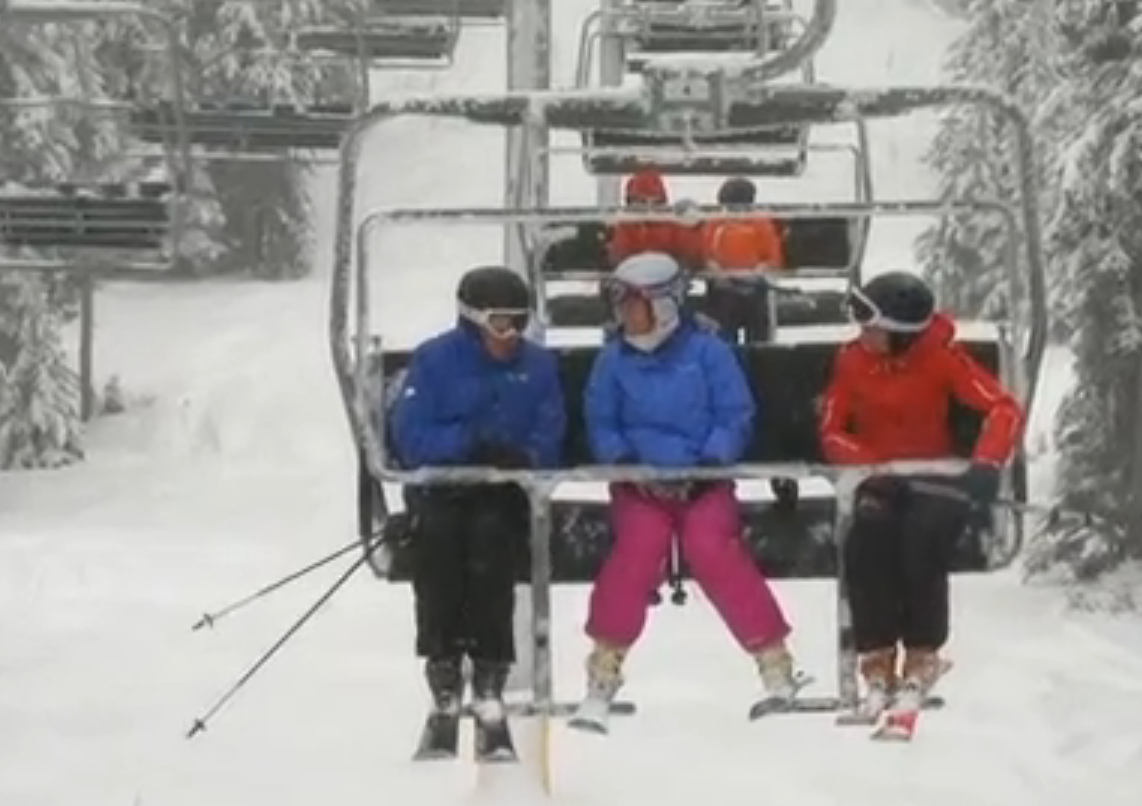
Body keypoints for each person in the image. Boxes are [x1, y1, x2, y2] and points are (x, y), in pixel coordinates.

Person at [574, 250, 804, 725]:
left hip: (704, 482)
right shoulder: (613, 362)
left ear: (663, 306)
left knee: (713, 548)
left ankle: (773, 660)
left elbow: (733, 413)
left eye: (632, 306)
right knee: (639, 548)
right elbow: (602, 420)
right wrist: (625, 463)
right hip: (641, 485)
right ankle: (604, 666)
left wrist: (710, 464)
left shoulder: (707, 354)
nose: (624, 317)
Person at [817, 270, 1022, 714]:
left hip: (934, 477)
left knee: (921, 538)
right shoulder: (852, 361)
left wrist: (987, 462)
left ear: (902, 335)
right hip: (882, 479)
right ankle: (876, 656)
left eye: (874, 328)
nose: (864, 335)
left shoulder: (942, 359)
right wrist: (871, 464)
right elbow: (832, 429)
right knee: (868, 537)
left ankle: (923, 652)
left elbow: (1002, 407)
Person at [389, 265, 566, 717]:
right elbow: (410, 437)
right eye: (500, 323)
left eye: (519, 323)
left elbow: (551, 430)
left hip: (502, 489)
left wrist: (524, 456)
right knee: (439, 544)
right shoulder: (434, 361)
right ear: (472, 320)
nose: (510, 336)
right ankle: (443, 661)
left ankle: (491, 665)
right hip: (443, 487)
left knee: (493, 543)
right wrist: (467, 443)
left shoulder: (537, 367)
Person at [697, 176, 783, 344]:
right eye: (727, 207)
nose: (732, 212)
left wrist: (758, 273)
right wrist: (717, 274)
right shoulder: (715, 224)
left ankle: (759, 354)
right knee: (723, 320)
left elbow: (773, 257)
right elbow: (707, 255)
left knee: (758, 323)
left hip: (753, 287)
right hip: (724, 288)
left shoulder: (761, 224)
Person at [606, 168, 700, 267]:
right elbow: (618, 258)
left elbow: (689, 255)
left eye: (655, 202)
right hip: (632, 278)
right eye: (642, 202)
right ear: (631, 203)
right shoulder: (625, 225)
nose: (649, 209)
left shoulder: (672, 223)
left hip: (667, 278)